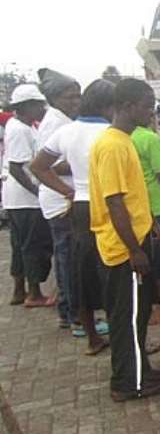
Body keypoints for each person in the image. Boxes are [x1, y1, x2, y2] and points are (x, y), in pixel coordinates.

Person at [88, 79, 160, 401]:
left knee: (138, 315)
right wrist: (134, 249)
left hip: (136, 237)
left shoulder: (125, 141)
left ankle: (141, 369)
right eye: (147, 105)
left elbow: (133, 194)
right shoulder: (112, 146)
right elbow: (115, 201)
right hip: (122, 249)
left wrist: (149, 224)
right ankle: (127, 383)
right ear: (126, 106)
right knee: (125, 317)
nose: (152, 112)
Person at [32, 79, 116, 355]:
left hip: (80, 207)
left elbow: (39, 166)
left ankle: (91, 335)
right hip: (109, 206)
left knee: (83, 272)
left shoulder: (68, 131)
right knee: (116, 275)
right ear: (109, 105)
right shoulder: (112, 134)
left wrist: (69, 192)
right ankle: (124, 338)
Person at [36, 68, 81, 328]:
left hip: (63, 198)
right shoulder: (56, 122)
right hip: (62, 200)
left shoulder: (61, 119)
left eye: (77, 97)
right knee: (68, 261)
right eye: (69, 97)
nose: (75, 102)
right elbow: (47, 164)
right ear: (54, 98)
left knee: (67, 258)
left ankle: (70, 311)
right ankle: (72, 314)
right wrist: (84, 163)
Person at [3, 84, 53, 307]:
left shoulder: (22, 126)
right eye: (37, 105)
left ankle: (18, 291)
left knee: (20, 244)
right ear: (25, 106)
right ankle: (34, 293)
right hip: (25, 200)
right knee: (33, 245)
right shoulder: (19, 130)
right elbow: (16, 168)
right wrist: (38, 192)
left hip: (17, 200)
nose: (41, 109)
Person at [131, 113, 160, 329]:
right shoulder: (149, 138)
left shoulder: (128, 136)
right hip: (157, 203)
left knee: (147, 252)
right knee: (158, 254)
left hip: (139, 203)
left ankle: (151, 299)